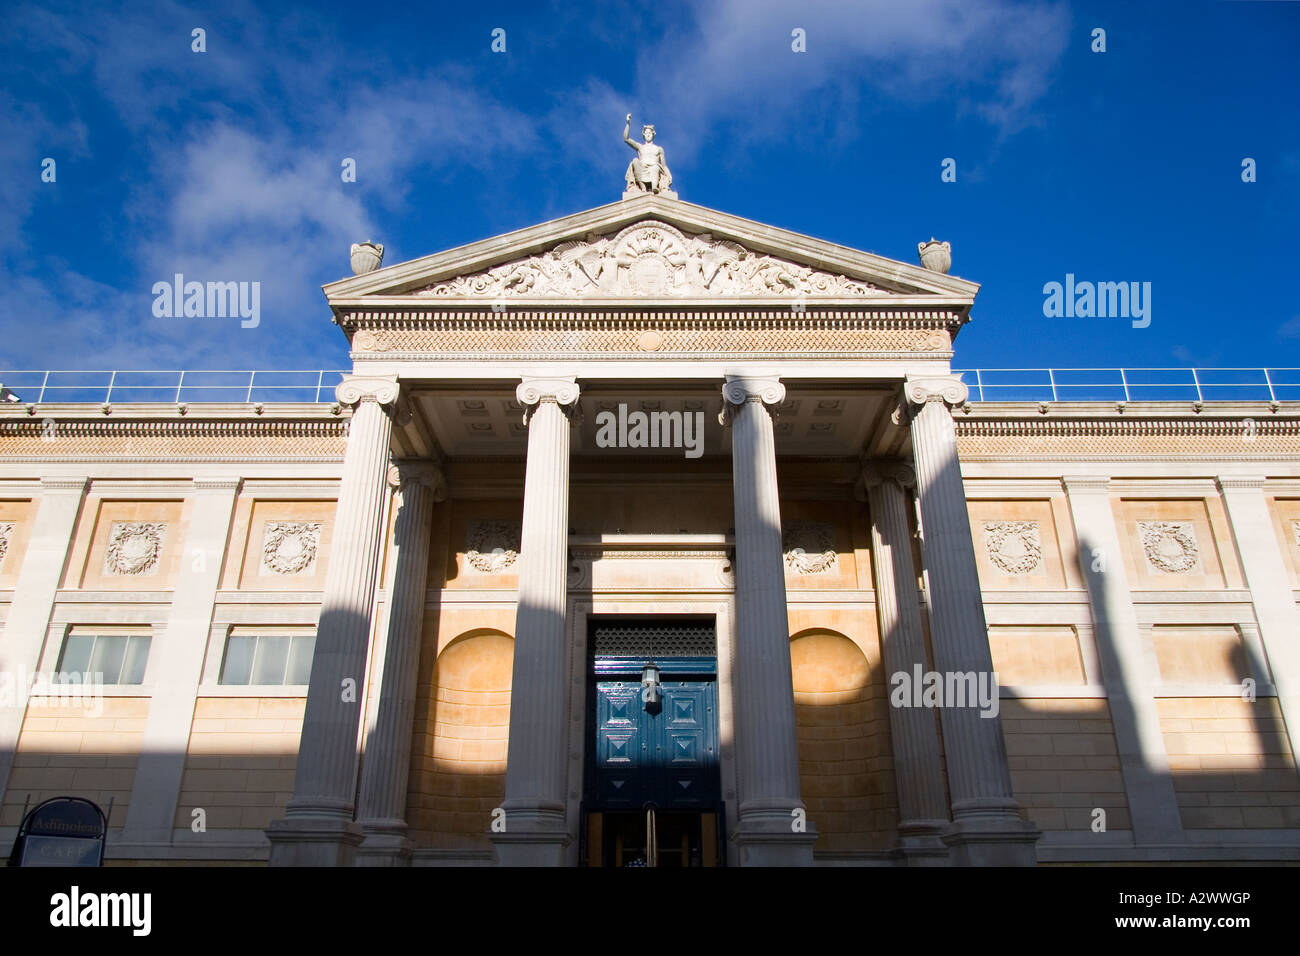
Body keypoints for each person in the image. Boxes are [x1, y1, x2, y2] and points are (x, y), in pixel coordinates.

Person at [623, 114, 672, 194]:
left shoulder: (659, 149)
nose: (648, 134)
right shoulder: (640, 147)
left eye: (650, 133)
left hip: (654, 168)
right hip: (642, 169)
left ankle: (654, 187)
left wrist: (668, 175)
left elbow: (663, 165)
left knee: (655, 167)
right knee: (635, 161)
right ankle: (642, 187)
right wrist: (628, 124)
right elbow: (626, 139)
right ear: (644, 135)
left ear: (653, 135)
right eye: (646, 133)